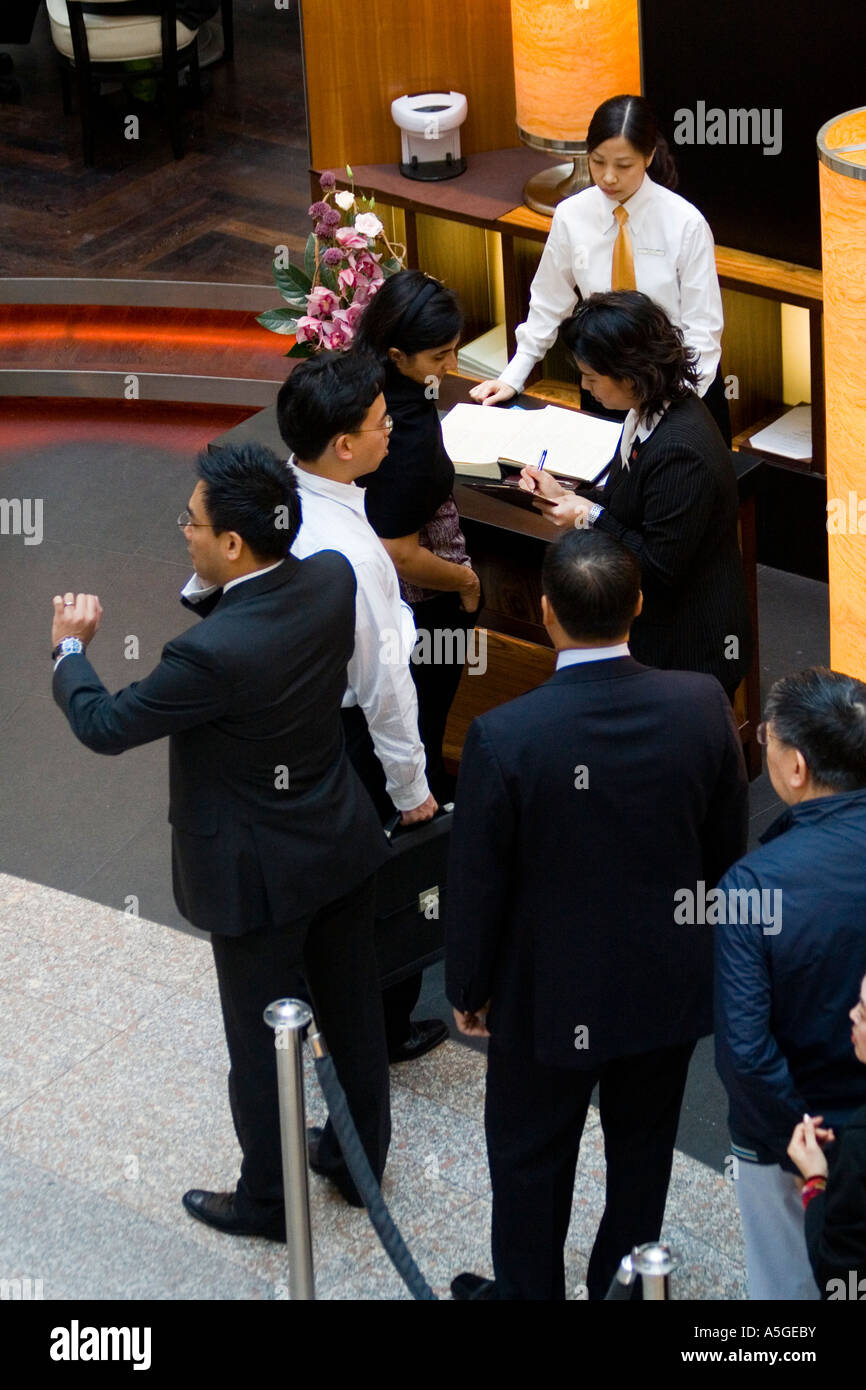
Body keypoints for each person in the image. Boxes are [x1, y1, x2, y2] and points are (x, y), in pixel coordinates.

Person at [51, 442, 392, 1227]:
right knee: (353, 1019)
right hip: (338, 842)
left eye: (193, 523)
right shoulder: (330, 579)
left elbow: (105, 725)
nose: (185, 534)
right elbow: (253, 617)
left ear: (235, 543)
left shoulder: (206, 656)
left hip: (256, 878)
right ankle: (356, 1162)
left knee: (262, 1047)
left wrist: (70, 649)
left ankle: (271, 1202)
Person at [446, 528, 749, 1301]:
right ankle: (622, 1291)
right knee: (642, 1158)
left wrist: (469, 987)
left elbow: (478, 884)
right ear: (639, 605)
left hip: (545, 998)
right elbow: (722, 856)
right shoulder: (703, 704)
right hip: (662, 989)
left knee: (527, 1162)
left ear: (546, 613)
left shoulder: (504, 736)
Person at [276, 350, 448, 1065]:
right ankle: (381, 1027)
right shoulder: (352, 548)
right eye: (382, 425)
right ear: (343, 446)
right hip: (352, 736)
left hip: (297, 724)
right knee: (384, 890)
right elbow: (383, 685)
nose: (392, 434)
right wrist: (412, 789)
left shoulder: (275, 503)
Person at [715, 667, 866, 1299]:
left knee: (786, 1295)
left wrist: (802, 1139)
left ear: (797, 767)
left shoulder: (752, 887)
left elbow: (746, 1055)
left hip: (794, 1141)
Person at [518, 290, 750, 700]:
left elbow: (658, 569)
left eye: (591, 377)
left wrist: (588, 516)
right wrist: (569, 495)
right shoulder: (648, 411)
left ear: (628, 375)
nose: (585, 386)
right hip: (661, 634)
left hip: (688, 652)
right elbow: (632, 502)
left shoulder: (681, 451)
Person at [471, 93, 730, 443]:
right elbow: (548, 302)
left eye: (623, 165)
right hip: (605, 384)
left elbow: (703, 331)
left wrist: (672, 412)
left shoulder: (685, 224)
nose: (608, 177)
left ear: (648, 156)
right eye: (597, 162)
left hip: (678, 390)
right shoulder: (572, 215)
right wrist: (513, 376)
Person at [353, 269, 482, 804]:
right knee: (420, 718)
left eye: (454, 349)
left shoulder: (359, 385)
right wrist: (466, 582)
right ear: (397, 354)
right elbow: (401, 553)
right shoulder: (403, 438)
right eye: (438, 357)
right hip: (426, 606)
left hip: (375, 602)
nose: (451, 367)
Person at [787, 970, 866, 1300]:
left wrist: (815, 1181)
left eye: (862, 1011)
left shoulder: (859, 1142)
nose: (851, 1014)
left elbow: (838, 1276)